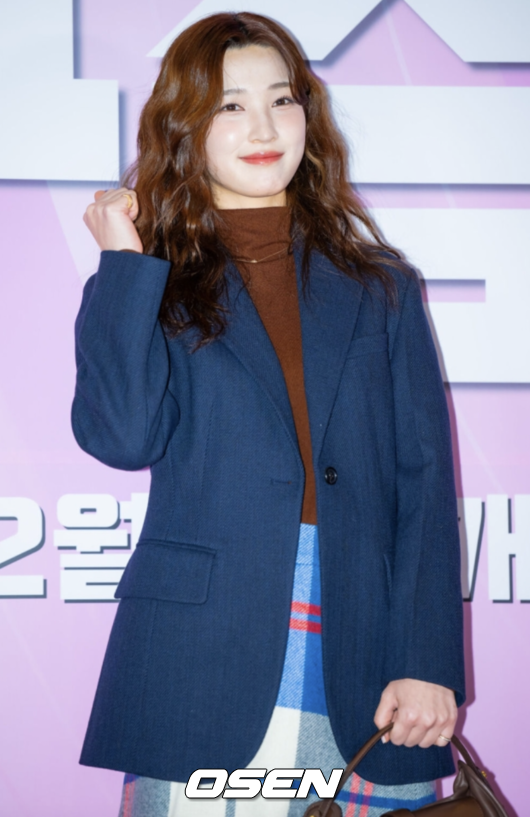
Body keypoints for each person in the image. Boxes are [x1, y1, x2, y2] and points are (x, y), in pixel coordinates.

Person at [73, 11, 465, 816]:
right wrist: (123, 262)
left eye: (282, 100)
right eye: (230, 105)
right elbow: (121, 436)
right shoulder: (148, 285)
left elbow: (423, 485)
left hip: (368, 647)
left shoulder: (380, 286)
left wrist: (428, 658)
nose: (263, 127)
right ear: (185, 128)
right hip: (200, 655)